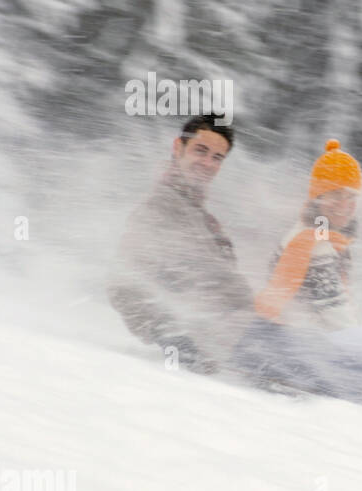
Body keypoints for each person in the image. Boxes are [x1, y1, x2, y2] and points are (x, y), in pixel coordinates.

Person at [234, 140, 362, 405]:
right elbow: (337, 317)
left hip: (304, 338)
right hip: (306, 341)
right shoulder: (316, 244)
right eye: (335, 194)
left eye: (351, 196)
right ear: (318, 198)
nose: (344, 203)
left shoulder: (319, 236)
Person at [107, 116, 254, 374]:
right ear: (178, 147)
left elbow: (224, 287)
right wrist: (172, 337)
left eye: (217, 158)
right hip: (211, 352)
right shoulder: (159, 208)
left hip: (238, 344)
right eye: (201, 151)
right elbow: (123, 284)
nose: (208, 163)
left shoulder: (204, 219)